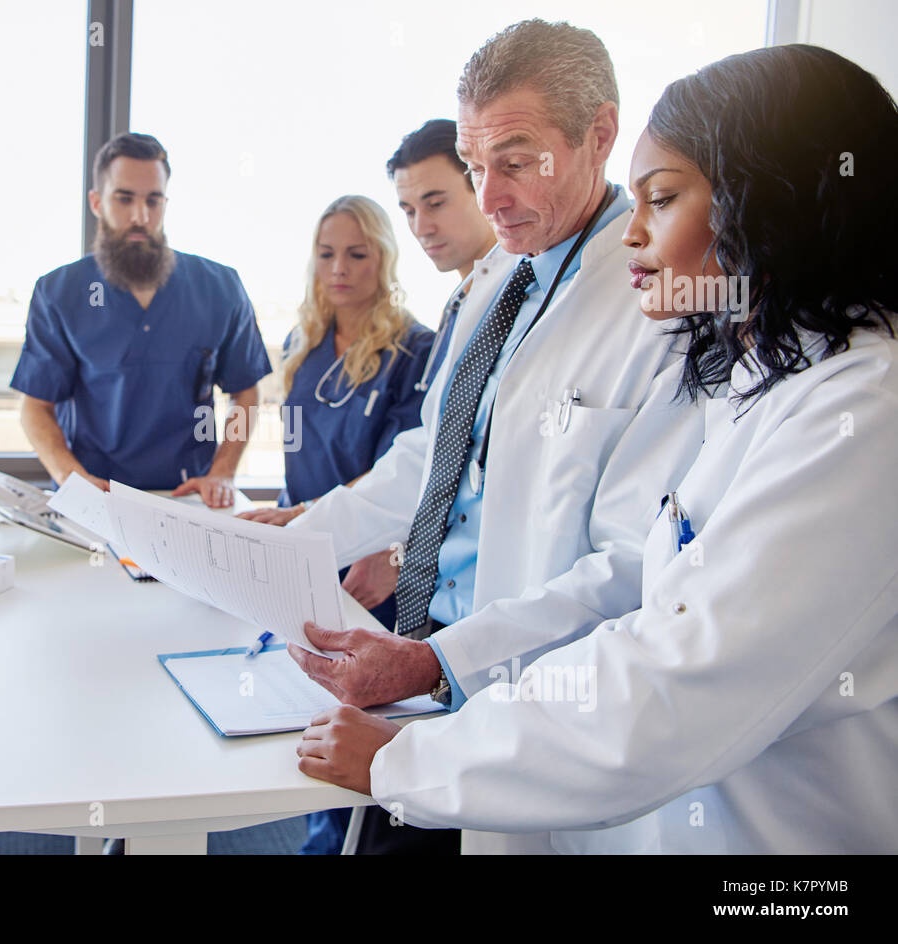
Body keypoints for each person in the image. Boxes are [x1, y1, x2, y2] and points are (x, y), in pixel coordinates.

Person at [297, 44, 898, 853]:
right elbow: (651, 594)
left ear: (768, 203)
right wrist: (437, 664)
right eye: (476, 167)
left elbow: (679, 674)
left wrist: (418, 760)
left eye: (666, 198)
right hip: (583, 755)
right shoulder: (765, 384)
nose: (638, 233)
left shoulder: (864, 411)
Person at [284, 19, 707, 854]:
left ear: (599, 136)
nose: (490, 197)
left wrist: (445, 662)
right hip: (413, 665)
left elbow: (629, 568)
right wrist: (292, 542)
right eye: (477, 169)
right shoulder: (492, 287)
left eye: (516, 163)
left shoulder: (659, 304)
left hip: (521, 698)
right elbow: (428, 459)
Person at [237, 194, 434, 855]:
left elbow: (406, 476)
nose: (340, 268)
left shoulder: (416, 349)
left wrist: (390, 549)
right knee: (306, 703)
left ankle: (348, 842)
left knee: (361, 710)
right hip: (307, 552)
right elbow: (300, 456)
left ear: (384, 257)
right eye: (327, 254)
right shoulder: (304, 343)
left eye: (357, 253)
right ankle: (318, 837)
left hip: (371, 562)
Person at [10, 132, 272, 507]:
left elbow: (245, 393)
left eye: (153, 200)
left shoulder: (220, 288)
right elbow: (35, 406)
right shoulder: (59, 292)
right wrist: (73, 479)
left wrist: (223, 471)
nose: (140, 216)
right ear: (97, 203)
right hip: (96, 498)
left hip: (187, 497)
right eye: (124, 199)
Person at [335, 119, 500, 618]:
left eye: (436, 202)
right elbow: (424, 457)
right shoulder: (462, 305)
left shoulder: (513, 305)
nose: (421, 227)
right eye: (408, 210)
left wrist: (399, 553)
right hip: (438, 593)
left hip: (483, 592)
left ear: (481, 184)